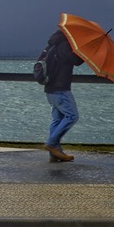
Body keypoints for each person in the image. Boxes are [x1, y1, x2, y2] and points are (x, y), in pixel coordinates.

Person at [42, 29, 84, 162]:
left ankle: (54, 154)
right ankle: (52, 144)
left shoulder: (52, 45)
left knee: (58, 119)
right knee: (72, 116)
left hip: (50, 88)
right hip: (61, 88)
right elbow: (76, 60)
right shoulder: (65, 45)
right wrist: (82, 51)